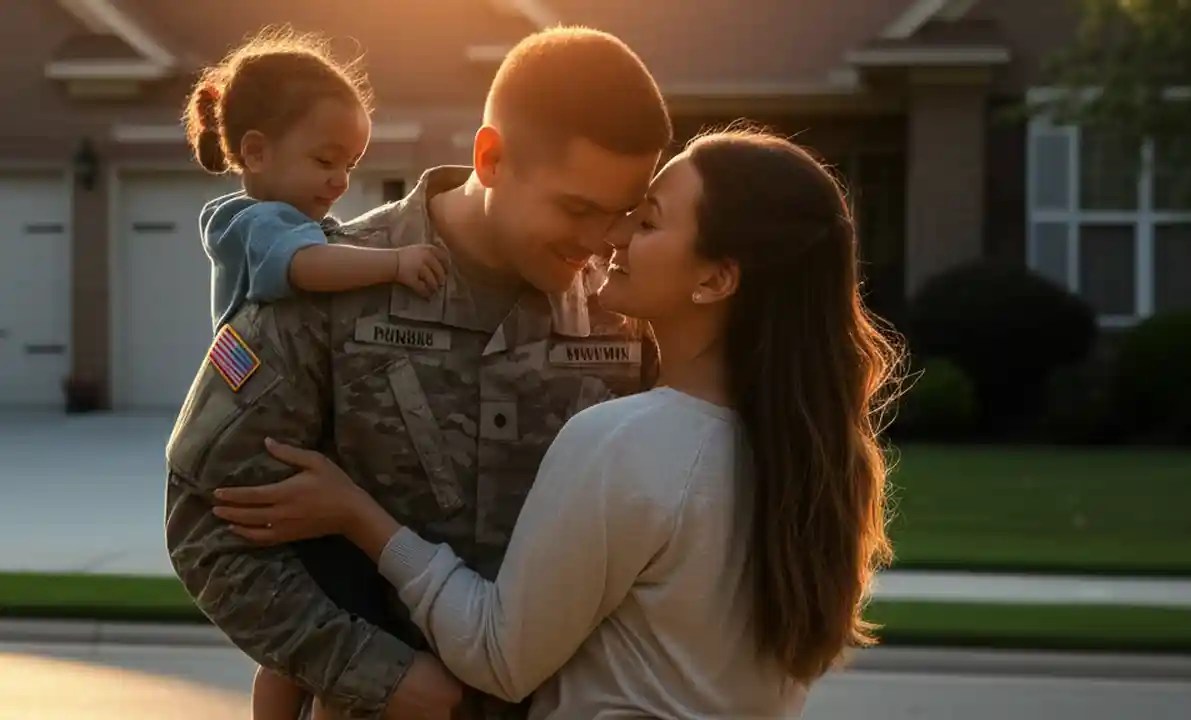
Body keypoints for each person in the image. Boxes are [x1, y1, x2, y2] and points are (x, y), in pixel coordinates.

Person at [213, 128, 902, 719]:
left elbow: (496, 655)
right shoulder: (808, 453)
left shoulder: (626, 442)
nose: (615, 234)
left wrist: (356, 514)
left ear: (716, 280)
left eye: (650, 220)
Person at [164, 26, 671, 720]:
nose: (595, 243)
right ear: (490, 158)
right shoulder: (328, 286)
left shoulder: (630, 312)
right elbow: (207, 520)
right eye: (576, 208)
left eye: (619, 214)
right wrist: (379, 674)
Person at [179, 28, 448, 720]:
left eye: (351, 165)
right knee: (328, 618)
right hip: (260, 436)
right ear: (258, 151)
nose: (340, 181)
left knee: (315, 627)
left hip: (278, 429)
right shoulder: (261, 225)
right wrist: (392, 262)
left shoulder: (282, 217)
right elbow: (307, 269)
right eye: (326, 160)